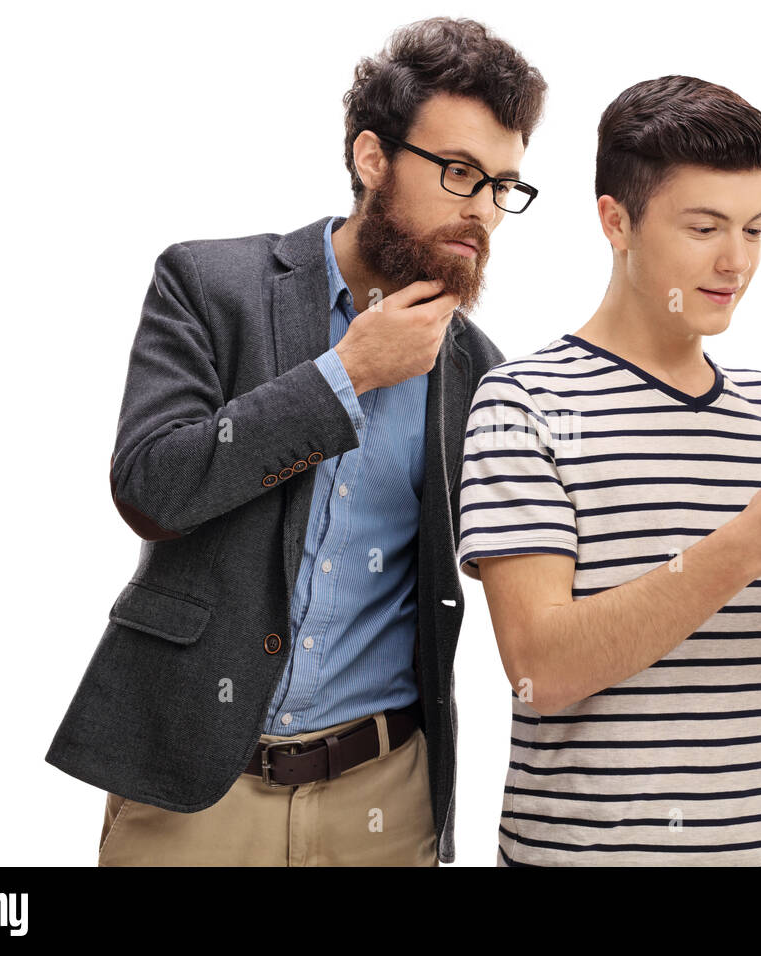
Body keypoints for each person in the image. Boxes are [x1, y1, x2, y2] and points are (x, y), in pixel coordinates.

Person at [45, 16, 547, 866]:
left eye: (502, 185)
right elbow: (152, 489)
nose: (482, 212)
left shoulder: (480, 370)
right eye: (459, 172)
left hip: (383, 798)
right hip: (194, 790)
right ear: (372, 157)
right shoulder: (211, 286)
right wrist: (344, 375)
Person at [456, 75, 761, 865]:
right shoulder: (522, 401)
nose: (734, 261)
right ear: (616, 221)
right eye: (705, 226)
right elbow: (542, 668)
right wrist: (749, 544)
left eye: (755, 229)